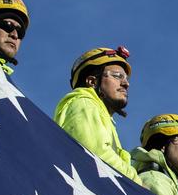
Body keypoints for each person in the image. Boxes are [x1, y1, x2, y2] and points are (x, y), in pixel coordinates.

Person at [53, 46, 141, 183]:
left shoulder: (101, 115)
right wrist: (139, 185)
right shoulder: (84, 103)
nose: (126, 83)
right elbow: (95, 152)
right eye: (117, 76)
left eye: (126, 78)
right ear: (92, 82)